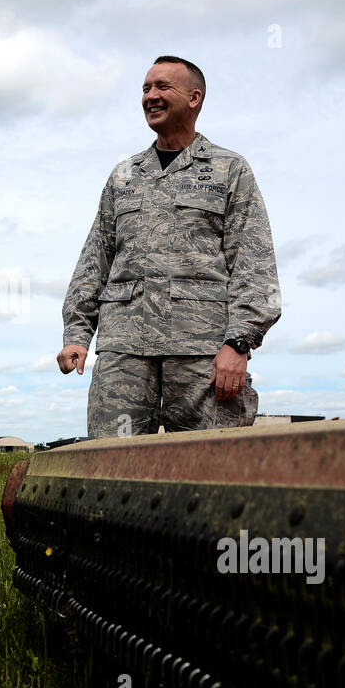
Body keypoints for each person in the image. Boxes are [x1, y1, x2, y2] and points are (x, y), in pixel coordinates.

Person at [57, 56, 281, 437]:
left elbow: (254, 262)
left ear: (194, 98)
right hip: (123, 354)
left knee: (212, 469)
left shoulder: (230, 169)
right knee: (113, 468)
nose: (151, 96)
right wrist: (77, 333)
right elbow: (96, 258)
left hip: (202, 353)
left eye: (162, 87)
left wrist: (239, 343)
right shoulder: (124, 175)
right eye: (146, 88)